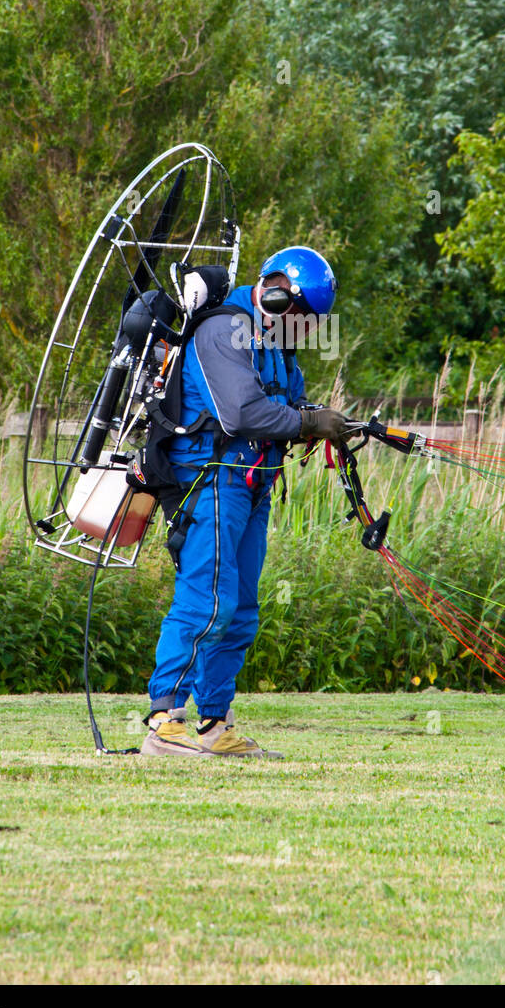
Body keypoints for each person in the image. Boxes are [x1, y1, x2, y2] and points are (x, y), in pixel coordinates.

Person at [142, 246, 356, 758]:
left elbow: (290, 403)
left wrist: (327, 420)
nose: (306, 329)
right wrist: (308, 423)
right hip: (212, 480)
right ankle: (163, 722)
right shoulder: (223, 329)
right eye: (303, 317)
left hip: (254, 484)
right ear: (278, 294)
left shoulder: (277, 343)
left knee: (239, 610)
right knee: (206, 600)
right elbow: (241, 414)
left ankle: (214, 724)